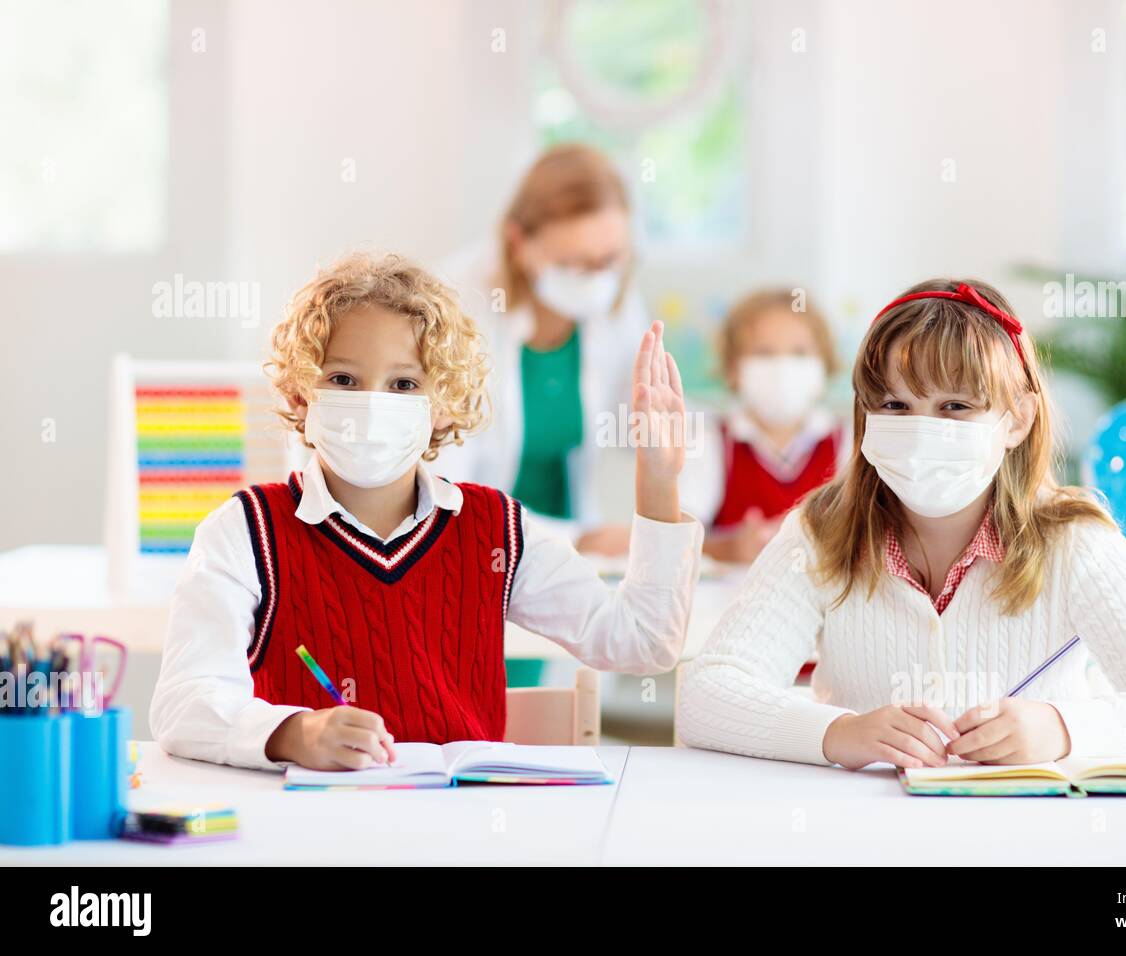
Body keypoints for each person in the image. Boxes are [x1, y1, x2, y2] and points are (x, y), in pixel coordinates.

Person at [151, 252, 702, 771]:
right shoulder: (247, 531)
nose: (373, 402)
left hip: (463, 831)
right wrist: (297, 733)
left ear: (441, 406)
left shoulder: (494, 529)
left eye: (403, 384)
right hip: (315, 829)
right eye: (343, 379)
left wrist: (659, 480)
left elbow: (642, 641)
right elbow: (184, 701)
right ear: (300, 395)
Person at [677, 278, 1126, 770]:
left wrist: (1061, 729)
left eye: (955, 407)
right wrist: (838, 733)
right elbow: (706, 694)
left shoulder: (1074, 540)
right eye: (895, 405)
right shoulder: (821, 533)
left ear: (1017, 419)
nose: (922, 430)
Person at [437, 144, 646, 554]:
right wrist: (581, 539)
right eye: (575, 263)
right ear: (518, 241)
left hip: (572, 551)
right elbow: (442, 492)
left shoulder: (616, 299)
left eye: (610, 259)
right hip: (474, 549)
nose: (597, 278)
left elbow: (638, 426)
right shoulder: (452, 305)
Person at [680, 288, 844, 564]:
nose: (782, 366)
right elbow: (676, 538)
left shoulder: (849, 443)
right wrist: (730, 548)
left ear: (824, 366)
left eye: (799, 352)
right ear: (733, 368)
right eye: (764, 353)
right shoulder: (711, 442)